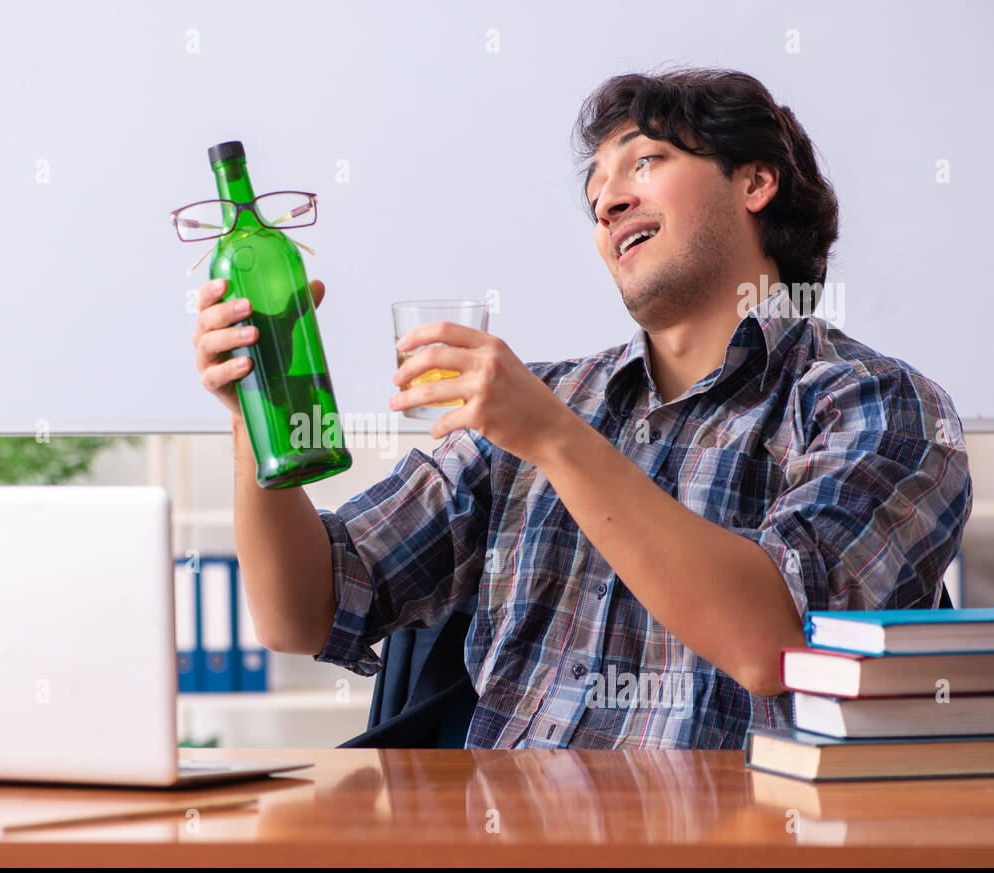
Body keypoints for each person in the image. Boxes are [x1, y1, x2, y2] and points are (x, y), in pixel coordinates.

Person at [190, 67, 973, 749]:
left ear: (754, 182)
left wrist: (555, 440)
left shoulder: (878, 405)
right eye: (596, 187)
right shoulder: (534, 405)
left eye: (644, 162)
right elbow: (302, 611)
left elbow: (772, 640)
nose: (606, 201)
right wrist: (249, 410)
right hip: (494, 839)